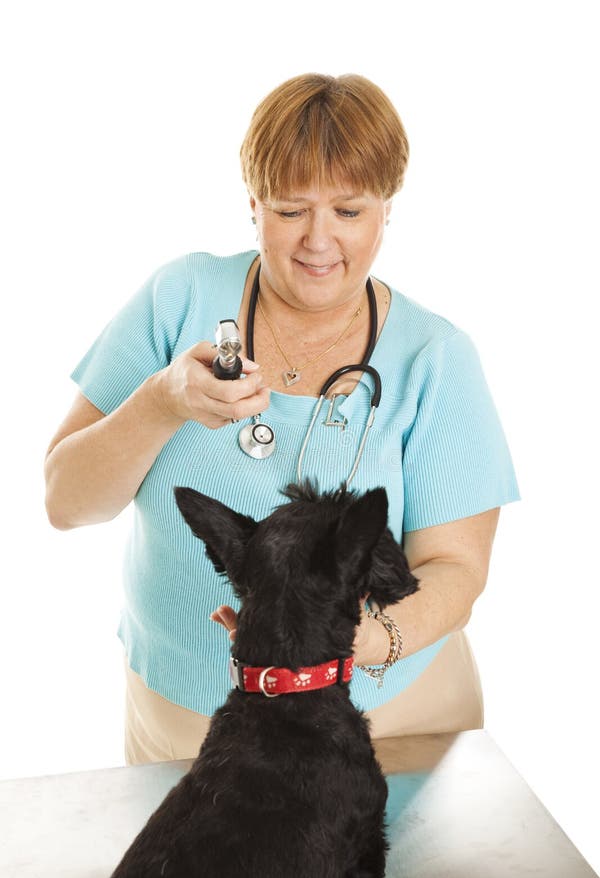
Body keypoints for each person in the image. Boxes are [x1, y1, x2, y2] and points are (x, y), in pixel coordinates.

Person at [44, 73, 520, 765]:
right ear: (253, 204)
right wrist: (161, 402)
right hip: (188, 722)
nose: (319, 241)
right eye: (291, 209)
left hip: (386, 720)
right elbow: (65, 502)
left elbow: (455, 567)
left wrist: (355, 641)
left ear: (387, 209)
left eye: (349, 211)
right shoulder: (178, 301)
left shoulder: (435, 359)